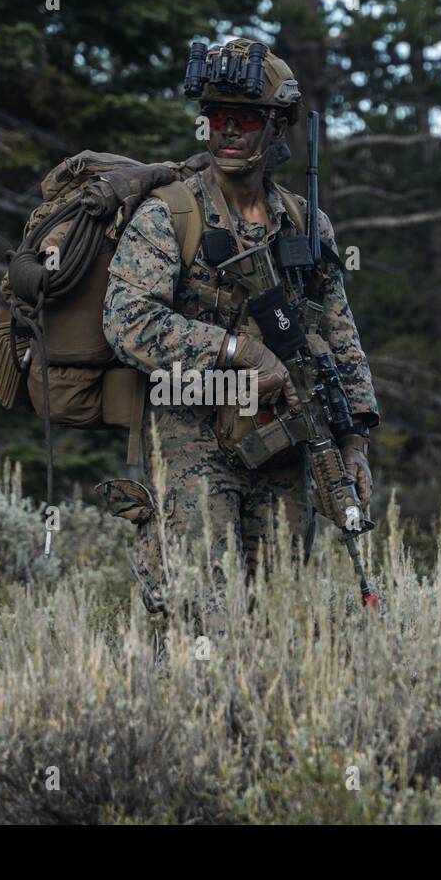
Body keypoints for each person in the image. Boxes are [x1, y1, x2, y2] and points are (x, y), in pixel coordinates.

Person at [102, 38, 378, 620]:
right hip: (193, 435)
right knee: (202, 608)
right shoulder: (171, 214)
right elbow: (126, 321)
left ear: (275, 126)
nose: (227, 131)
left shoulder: (305, 222)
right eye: (216, 117)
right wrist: (236, 349)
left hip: (284, 439)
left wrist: (355, 440)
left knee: (279, 612)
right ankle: (182, 706)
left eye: (245, 119)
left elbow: (339, 331)